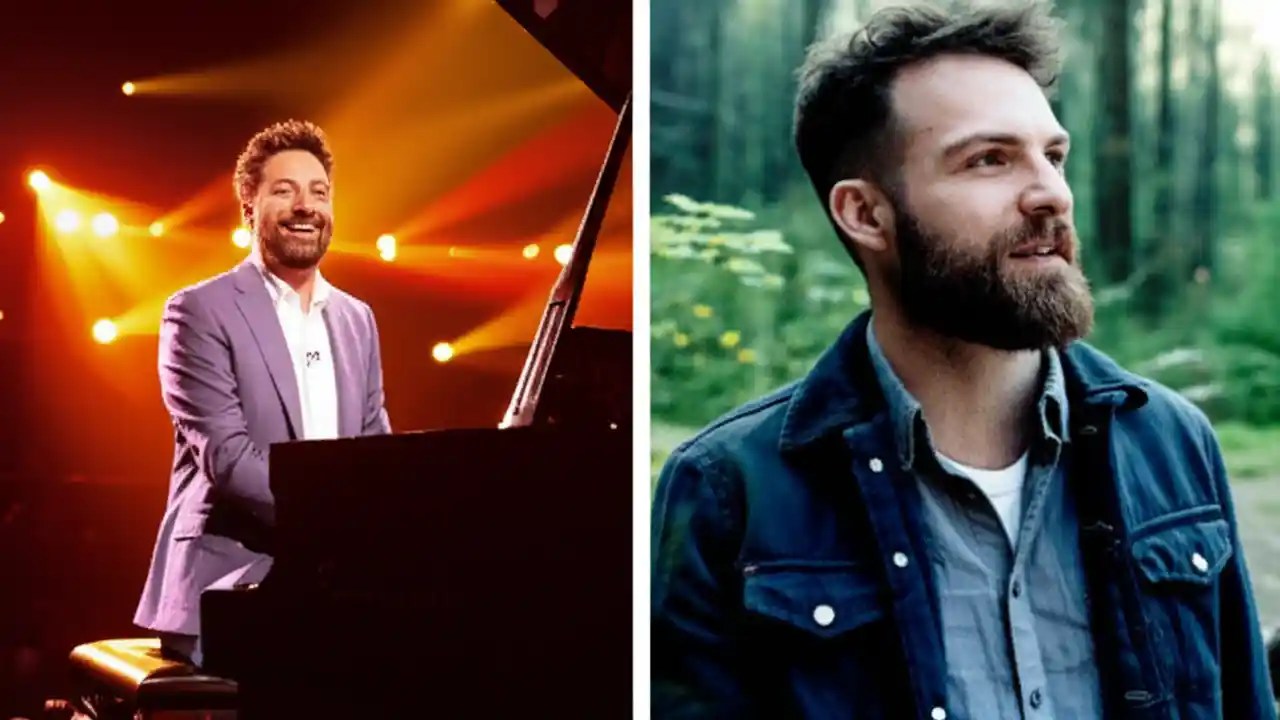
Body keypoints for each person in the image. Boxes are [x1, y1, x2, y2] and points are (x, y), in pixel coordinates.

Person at [650, 3, 1276, 719]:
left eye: (1054, 155)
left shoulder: (1171, 442)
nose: (1050, 194)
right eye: (989, 160)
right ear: (865, 214)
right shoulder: (731, 492)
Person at [134, 119, 392, 665]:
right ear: (249, 207)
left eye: (318, 193)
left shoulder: (357, 319)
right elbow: (228, 459)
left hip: (336, 575)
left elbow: (377, 452)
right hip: (229, 577)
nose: (306, 206)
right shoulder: (198, 311)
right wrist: (339, 527)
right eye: (284, 190)